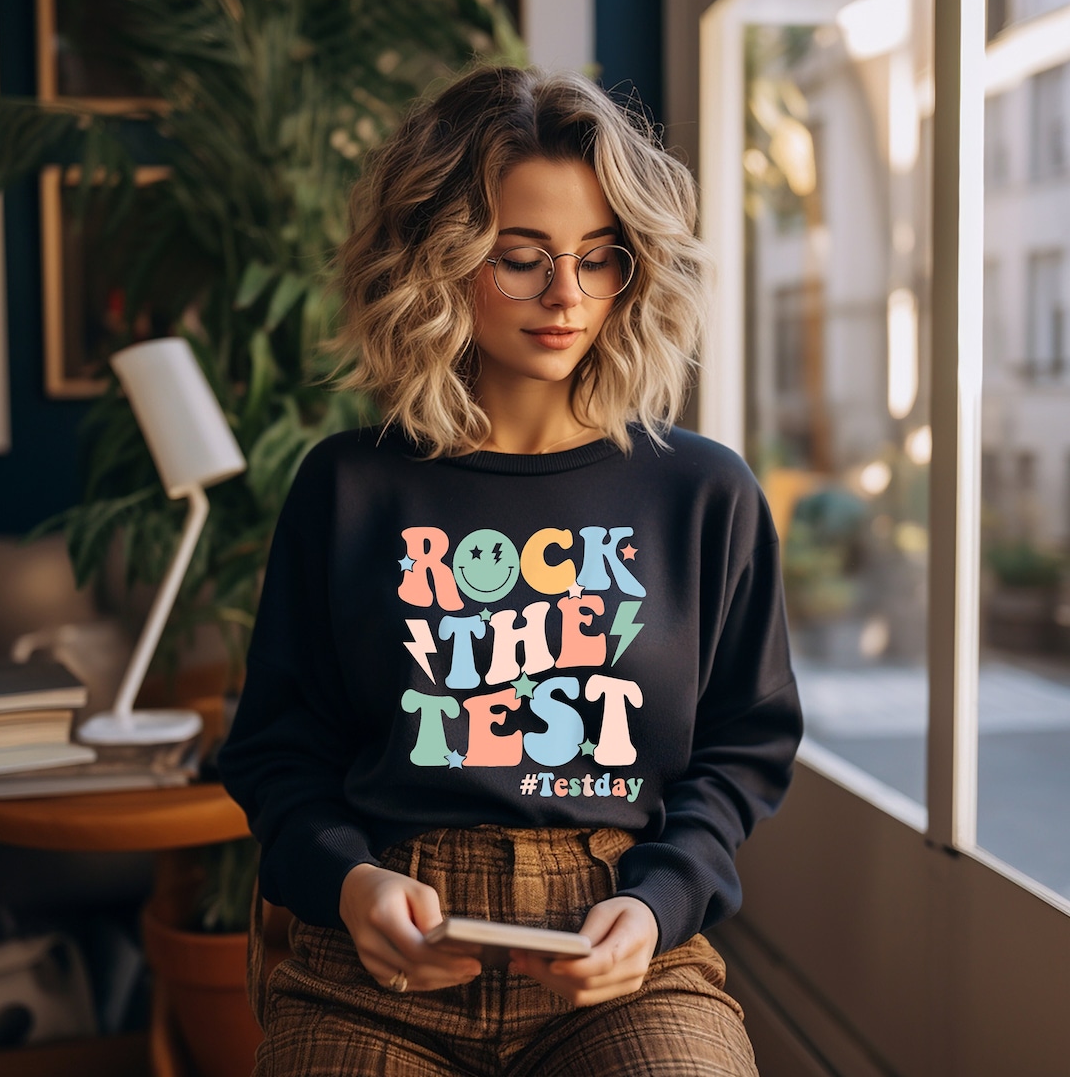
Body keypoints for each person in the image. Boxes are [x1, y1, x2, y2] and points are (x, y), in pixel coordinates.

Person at [219, 63, 803, 1076]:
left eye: (599, 257)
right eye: (522, 257)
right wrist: (347, 883)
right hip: (378, 967)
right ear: (438, 261)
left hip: (620, 948)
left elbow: (744, 749)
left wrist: (655, 903)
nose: (566, 296)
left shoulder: (705, 495)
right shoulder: (350, 488)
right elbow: (278, 750)